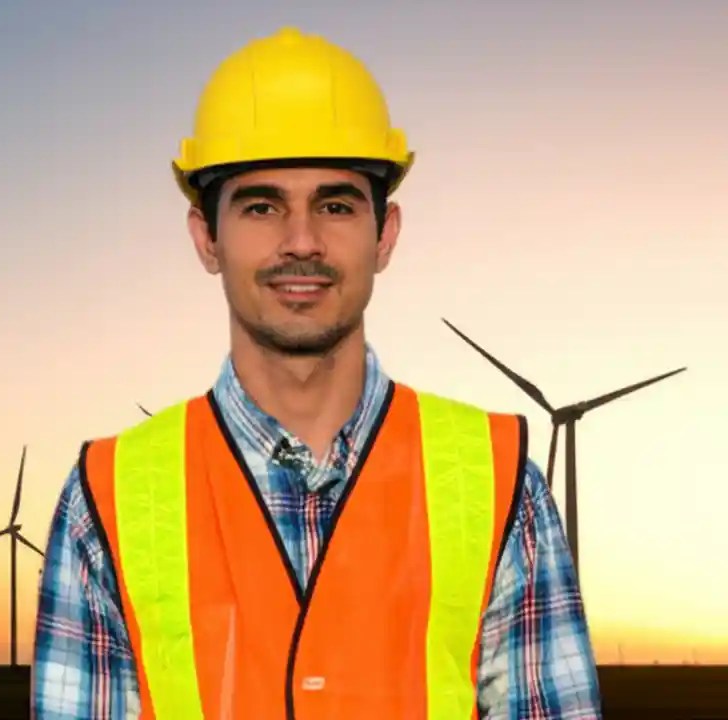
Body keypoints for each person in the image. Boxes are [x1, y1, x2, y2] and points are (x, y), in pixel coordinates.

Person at [30, 25, 602, 720]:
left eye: (335, 205)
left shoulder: (499, 481)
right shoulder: (107, 497)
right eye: (261, 206)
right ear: (205, 238)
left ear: (385, 235)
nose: (301, 242)